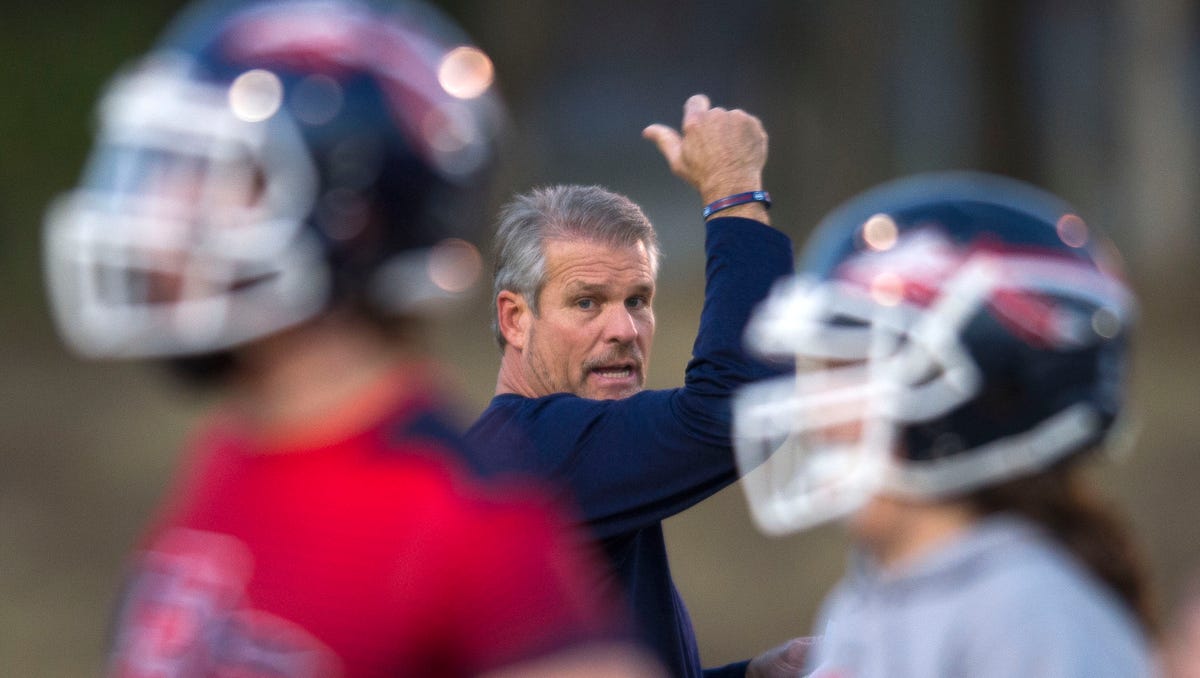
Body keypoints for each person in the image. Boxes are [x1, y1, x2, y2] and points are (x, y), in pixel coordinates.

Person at [42, 0, 665, 676]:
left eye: (214, 177)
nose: (162, 218)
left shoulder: (468, 524)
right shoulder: (236, 450)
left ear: (354, 219)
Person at [732, 171, 1158, 677]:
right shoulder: (869, 594)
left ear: (997, 386)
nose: (822, 416)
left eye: (854, 370)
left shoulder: (1034, 624)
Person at [465, 94, 805, 678]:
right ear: (515, 319)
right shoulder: (534, 453)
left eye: (638, 301)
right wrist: (734, 190)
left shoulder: (559, 446)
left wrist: (751, 676)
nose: (623, 329)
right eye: (587, 302)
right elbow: (740, 405)